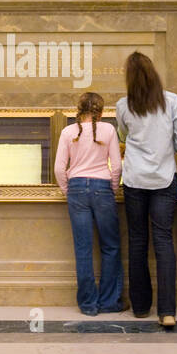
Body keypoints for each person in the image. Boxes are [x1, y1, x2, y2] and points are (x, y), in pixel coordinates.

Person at [116, 52, 177, 328]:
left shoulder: (123, 106)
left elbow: (123, 136)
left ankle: (140, 306)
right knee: (163, 241)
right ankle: (167, 311)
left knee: (137, 241)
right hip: (163, 179)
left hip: (135, 179)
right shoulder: (172, 101)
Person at [54, 91, 123, 316]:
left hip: (76, 189)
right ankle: (109, 301)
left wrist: (68, 190)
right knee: (110, 246)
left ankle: (88, 304)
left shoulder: (67, 132)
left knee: (83, 248)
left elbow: (58, 168)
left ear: (79, 109)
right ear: (101, 112)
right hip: (102, 188)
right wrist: (111, 189)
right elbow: (117, 166)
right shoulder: (109, 130)